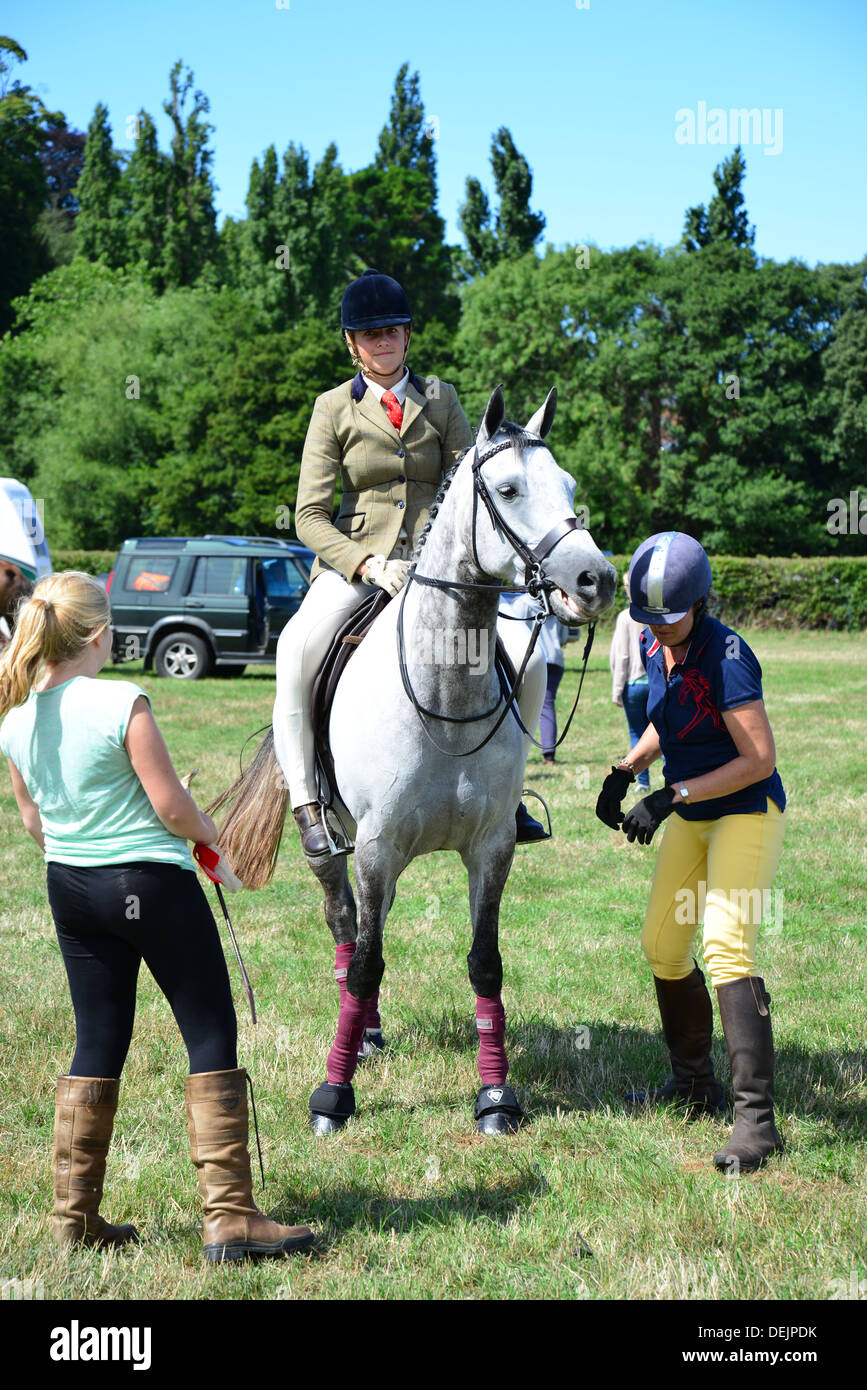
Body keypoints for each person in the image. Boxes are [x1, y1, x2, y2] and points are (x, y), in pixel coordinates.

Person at [0, 572, 313, 1260]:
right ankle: (229, 1218)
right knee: (208, 1032)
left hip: (71, 888)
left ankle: (74, 1219)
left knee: (97, 1040)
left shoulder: (17, 718)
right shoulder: (122, 700)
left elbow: (34, 821)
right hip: (150, 887)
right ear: (98, 633)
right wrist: (211, 840)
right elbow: (171, 808)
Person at [273, 268, 547, 854]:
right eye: (370, 335)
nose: (383, 342)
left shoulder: (441, 398)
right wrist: (369, 566)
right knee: (295, 651)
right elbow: (309, 516)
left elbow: (467, 485)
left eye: (392, 331)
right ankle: (307, 802)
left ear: (407, 335)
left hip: (441, 570)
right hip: (360, 570)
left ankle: (511, 794)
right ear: (353, 344)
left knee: (529, 657)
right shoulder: (331, 409)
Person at [595, 532, 787, 1173]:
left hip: (745, 811)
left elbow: (758, 759)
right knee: (662, 945)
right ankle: (693, 1084)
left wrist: (672, 792)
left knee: (726, 946)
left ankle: (756, 1120)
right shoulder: (658, 639)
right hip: (693, 809)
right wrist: (629, 767)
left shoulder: (729, 655)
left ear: (700, 603)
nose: (659, 630)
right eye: (649, 619)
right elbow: (668, 715)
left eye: (669, 617)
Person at [499, 592, 569, 764]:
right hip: (555, 659)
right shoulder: (557, 603)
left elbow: (515, 633)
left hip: (531, 660)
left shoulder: (521, 604)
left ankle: (519, 751)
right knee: (548, 705)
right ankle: (549, 752)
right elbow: (564, 636)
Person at [609, 575, 651, 789]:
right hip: (654, 683)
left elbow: (621, 656)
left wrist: (617, 691)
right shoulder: (655, 613)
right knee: (660, 733)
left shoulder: (626, 617)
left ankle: (642, 782)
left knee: (637, 734)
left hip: (633, 684)